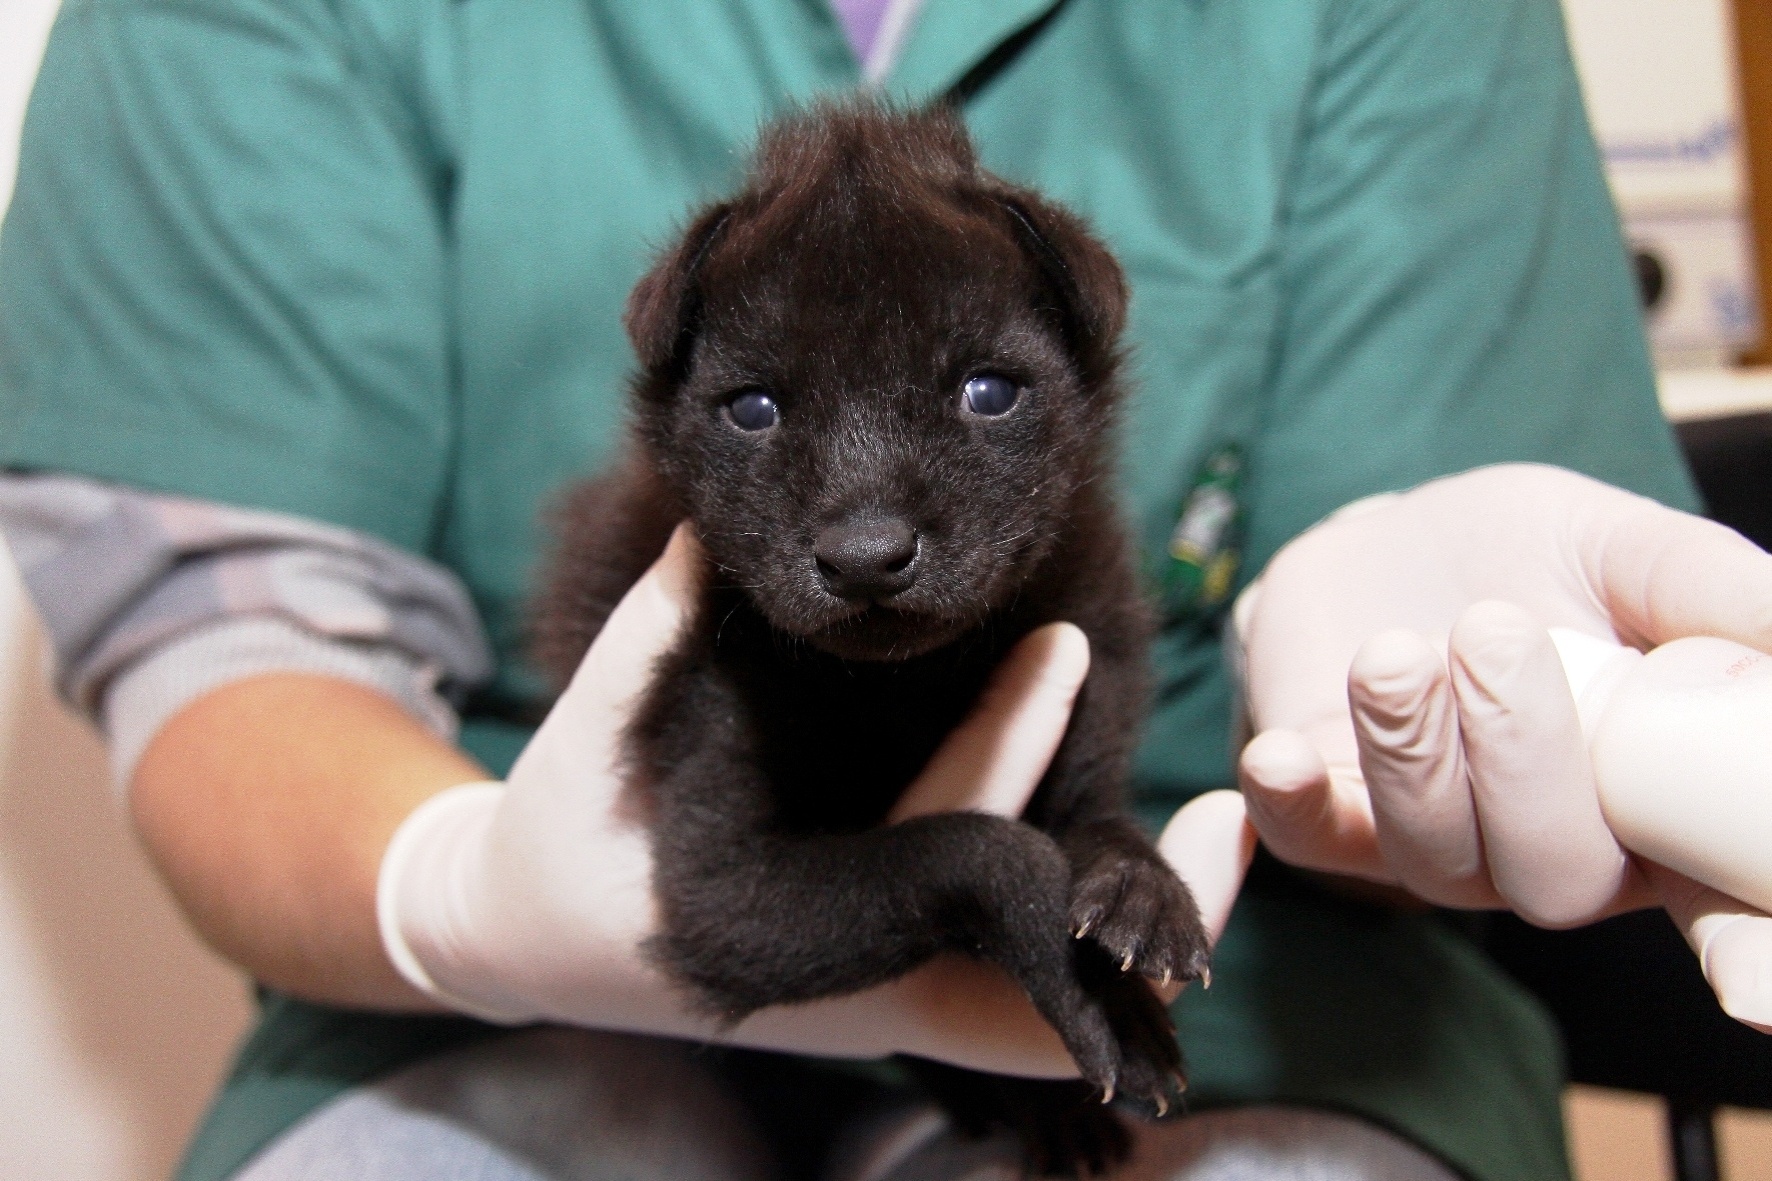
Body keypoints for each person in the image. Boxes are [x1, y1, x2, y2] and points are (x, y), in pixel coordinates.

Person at [0, 1, 1766, 1179]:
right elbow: (222, 631)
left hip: (1252, 991)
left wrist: (1400, 673)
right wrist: (445, 889)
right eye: (756, 409)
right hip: (517, 1004)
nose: (857, 530)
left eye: (989, 392)